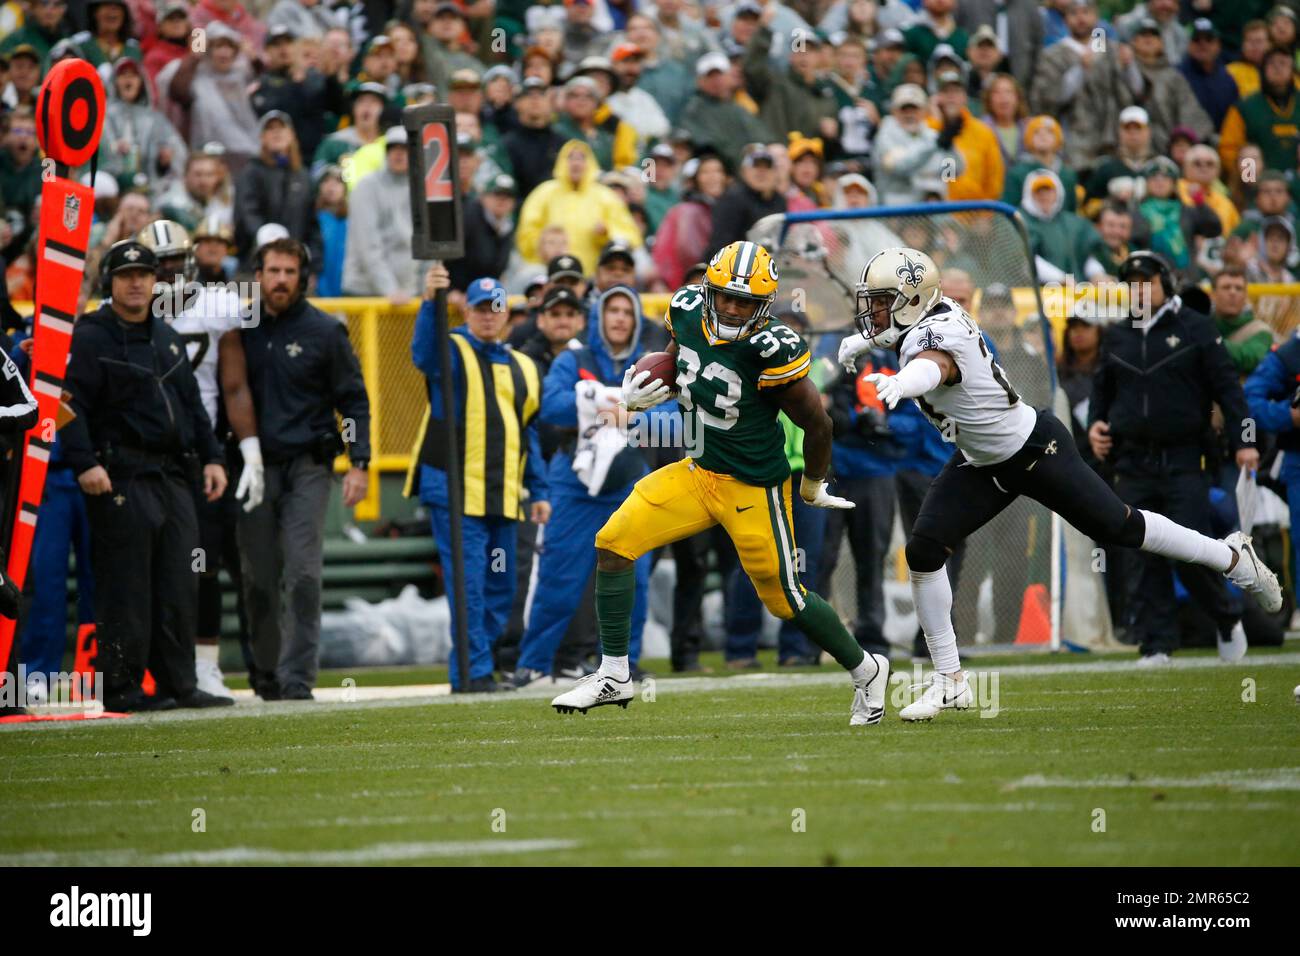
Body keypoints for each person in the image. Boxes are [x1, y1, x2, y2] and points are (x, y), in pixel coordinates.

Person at [836, 247, 1280, 716]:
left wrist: (902, 382)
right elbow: (913, 341)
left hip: (1033, 451)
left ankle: (1231, 556)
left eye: (882, 302)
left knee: (1120, 527)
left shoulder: (938, 333)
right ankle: (950, 679)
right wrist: (866, 344)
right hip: (983, 461)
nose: (875, 313)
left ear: (911, 299)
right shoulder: (930, 315)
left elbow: (935, 365)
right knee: (924, 550)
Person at [550, 240, 892, 727]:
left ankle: (867, 669)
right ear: (708, 290)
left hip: (753, 486)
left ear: (764, 307)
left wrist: (812, 484)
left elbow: (819, 425)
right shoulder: (686, 308)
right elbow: (679, 361)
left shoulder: (773, 348)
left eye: (745, 302)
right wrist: (645, 392)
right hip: (698, 471)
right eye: (725, 297)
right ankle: (614, 674)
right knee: (612, 543)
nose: (732, 308)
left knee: (784, 600)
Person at [61, 240, 233, 712]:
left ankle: (180, 682)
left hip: (173, 474)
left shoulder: (167, 336)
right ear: (109, 282)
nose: (136, 282)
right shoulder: (91, 336)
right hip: (120, 472)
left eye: (144, 274)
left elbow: (194, 406)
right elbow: (65, 405)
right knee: (127, 586)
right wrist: (85, 463)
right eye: (125, 274)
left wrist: (213, 456)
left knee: (181, 580)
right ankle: (121, 686)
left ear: (156, 281)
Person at [237, 236, 370, 700]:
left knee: (304, 573)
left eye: (289, 272)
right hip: (254, 465)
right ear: (257, 275)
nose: (280, 280)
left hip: (310, 464)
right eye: (272, 271)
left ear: (303, 279)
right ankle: (266, 673)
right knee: (257, 576)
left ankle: (297, 678)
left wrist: (360, 461)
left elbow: (352, 400)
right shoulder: (240, 326)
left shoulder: (324, 331)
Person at [512, 285, 665, 687]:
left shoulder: (648, 366)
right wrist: (605, 404)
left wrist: (624, 414)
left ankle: (621, 665)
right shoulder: (572, 358)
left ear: (634, 321)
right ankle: (533, 663)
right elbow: (551, 406)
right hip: (574, 483)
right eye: (611, 310)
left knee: (635, 580)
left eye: (625, 312)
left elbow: (672, 419)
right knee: (558, 578)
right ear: (598, 317)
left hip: (630, 485)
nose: (618, 318)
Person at [407, 266, 549, 692]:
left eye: (496, 309)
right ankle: (473, 672)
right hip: (455, 492)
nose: (488, 316)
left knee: (500, 584)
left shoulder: (523, 366)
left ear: (507, 314)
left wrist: (538, 489)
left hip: (502, 494)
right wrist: (430, 303)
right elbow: (422, 355)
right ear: (466, 312)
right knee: (468, 584)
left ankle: (479, 665)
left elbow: (527, 433)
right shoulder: (450, 350)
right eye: (480, 309)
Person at [137, 219, 263, 699]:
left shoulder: (218, 305)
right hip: (147, 455)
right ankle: (153, 667)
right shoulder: (125, 307)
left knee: (203, 563)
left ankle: (205, 663)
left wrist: (249, 450)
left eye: (174, 263)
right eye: (160, 265)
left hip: (203, 453)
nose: (168, 273)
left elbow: (234, 384)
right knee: (147, 566)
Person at [342, 126, 424, 303]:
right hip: (365, 292)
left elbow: (426, 245)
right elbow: (369, 246)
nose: (399, 154)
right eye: (393, 148)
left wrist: (420, 289)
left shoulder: (420, 190)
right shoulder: (366, 187)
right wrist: (390, 290)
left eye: (405, 149)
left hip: (407, 295)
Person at [1211, 266, 1275, 376]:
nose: (1232, 293)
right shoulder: (1201, 324)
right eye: (1226, 287)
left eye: (1239, 288)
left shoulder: (1260, 331)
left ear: (1245, 295)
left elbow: (1249, 358)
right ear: (1213, 294)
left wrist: (1210, 342)